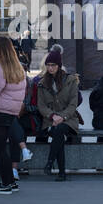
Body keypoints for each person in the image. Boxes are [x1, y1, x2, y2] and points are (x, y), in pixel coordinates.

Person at [0, 36, 28, 195]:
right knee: (3, 148)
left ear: (0, 50)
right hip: (12, 112)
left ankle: (6, 183)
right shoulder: (18, 67)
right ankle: (10, 182)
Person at [36, 50, 82, 181]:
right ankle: (61, 172)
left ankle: (50, 163)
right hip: (50, 120)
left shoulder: (71, 80)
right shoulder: (42, 83)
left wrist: (62, 117)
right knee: (58, 133)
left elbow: (73, 104)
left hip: (69, 119)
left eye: (53, 65)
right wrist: (52, 117)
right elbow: (41, 105)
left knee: (59, 130)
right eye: (48, 65)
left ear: (59, 65)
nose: (50, 68)